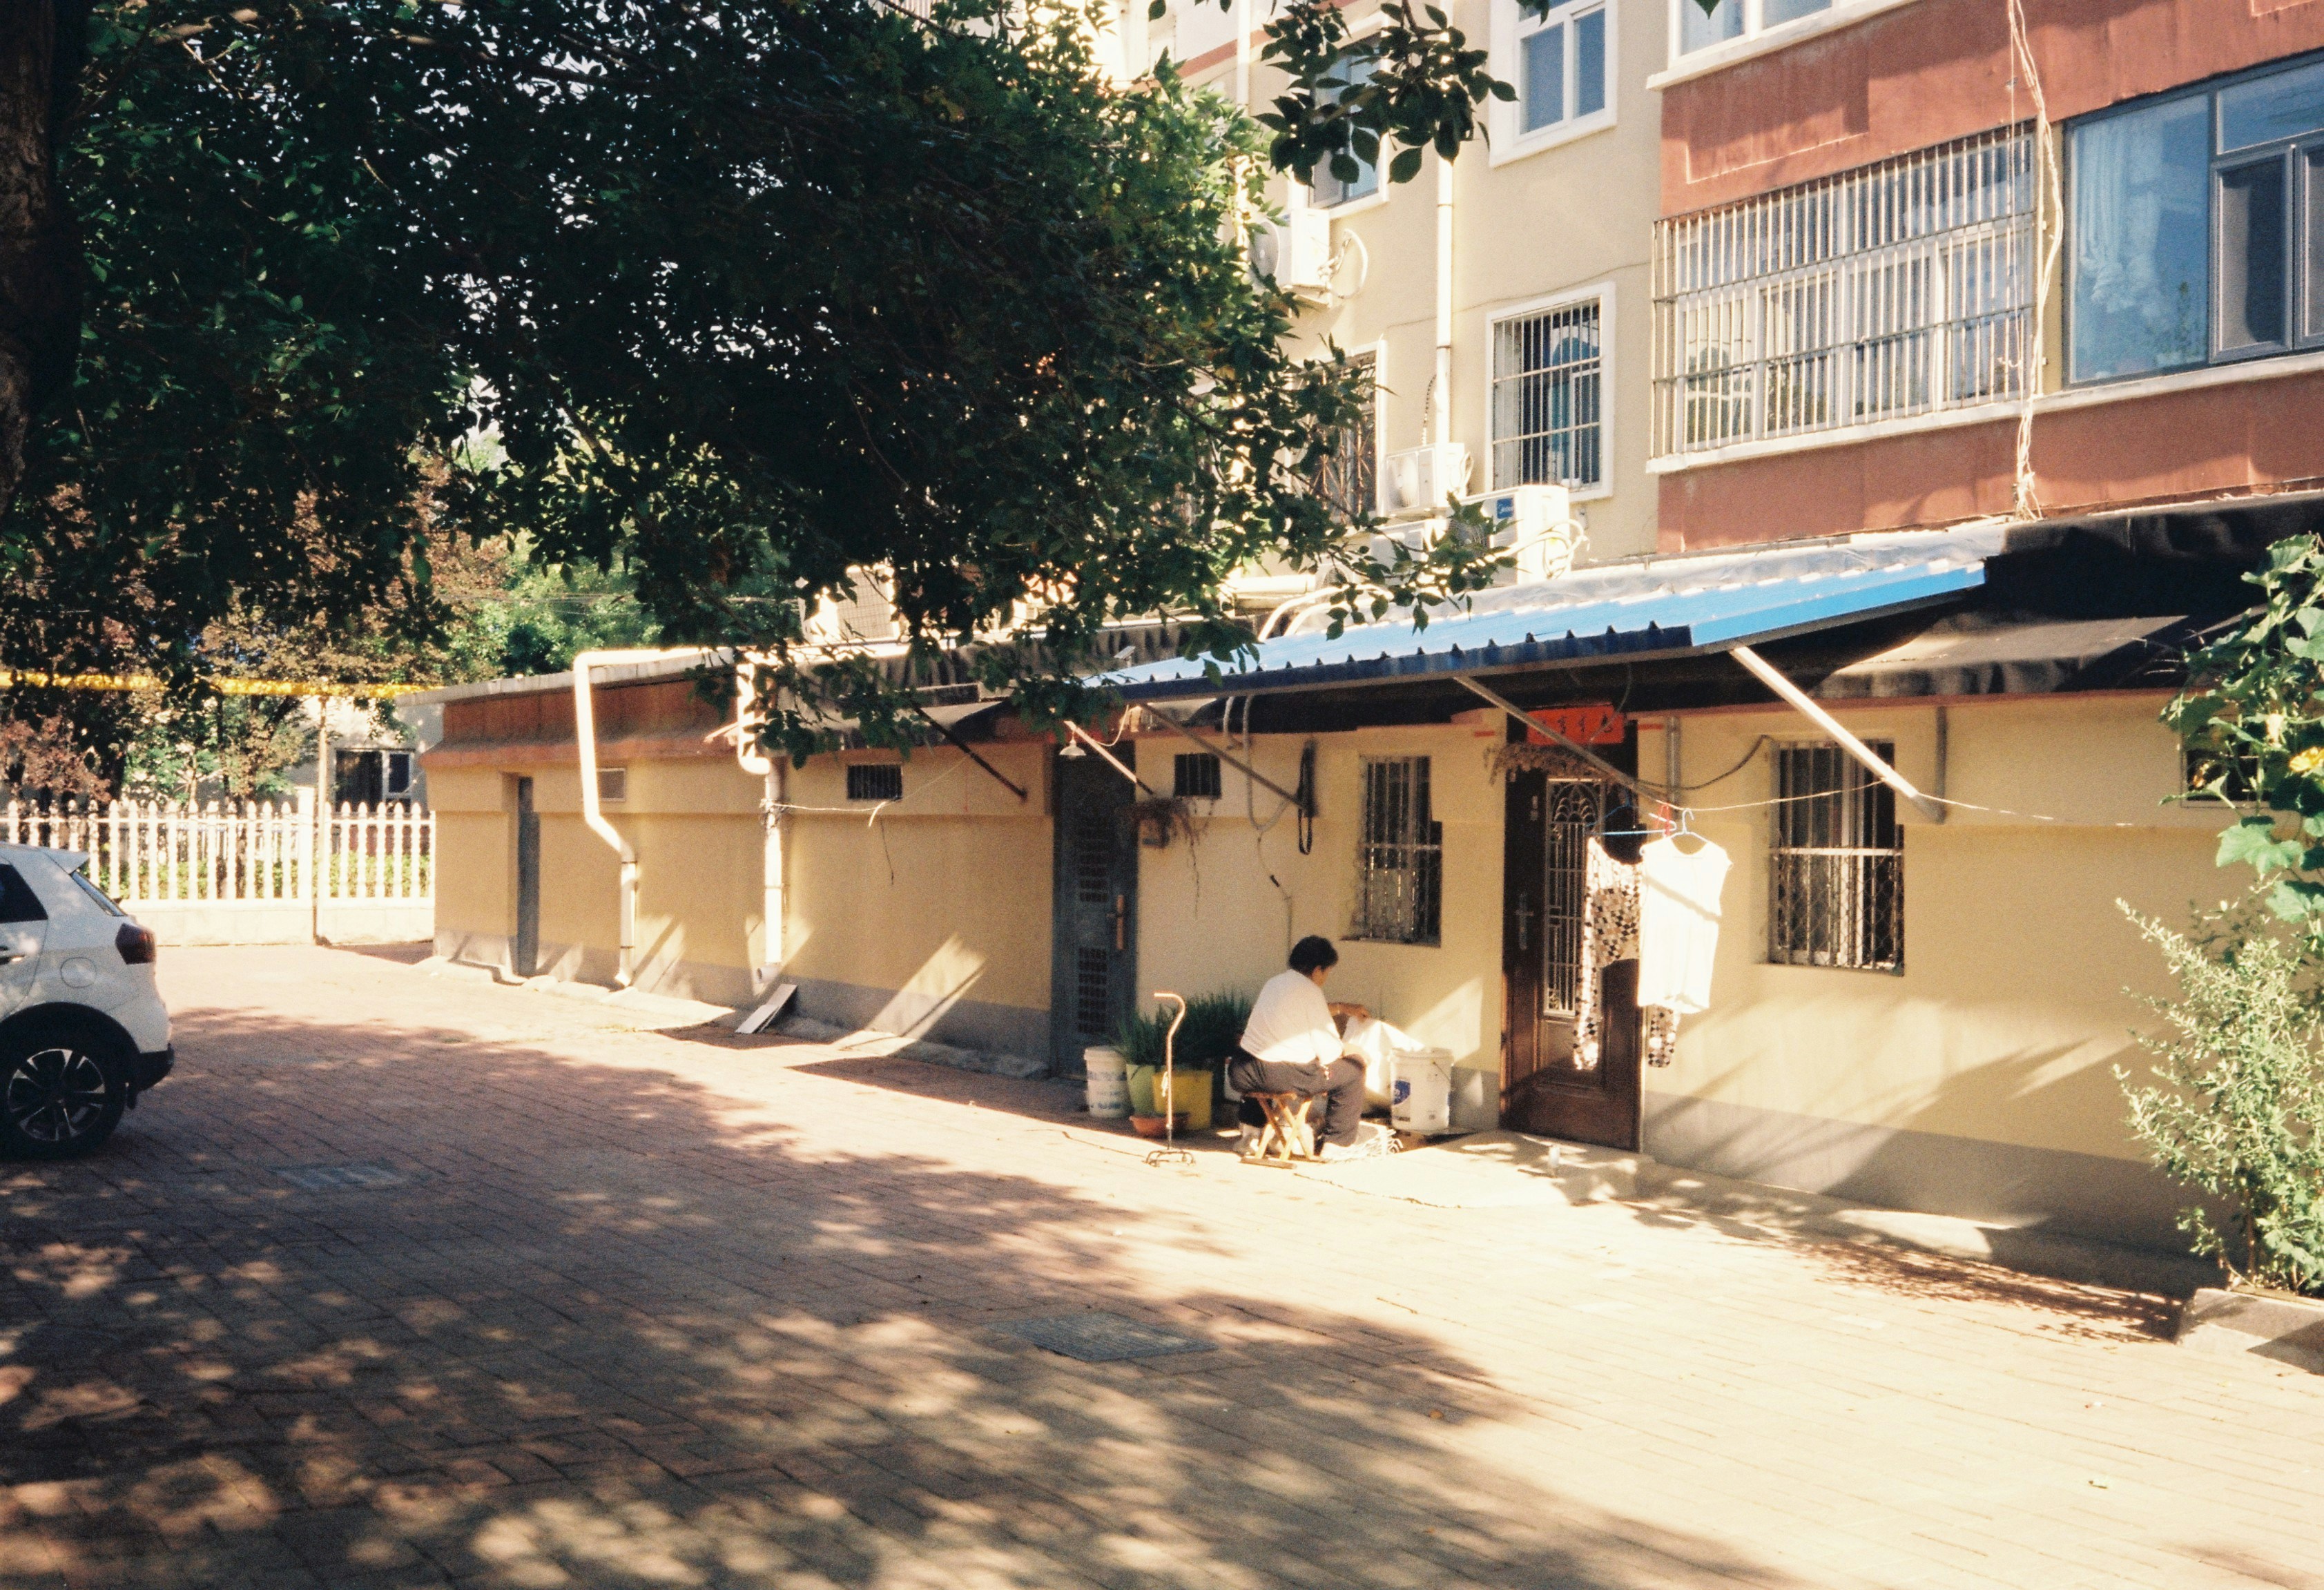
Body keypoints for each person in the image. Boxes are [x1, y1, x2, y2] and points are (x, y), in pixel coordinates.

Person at [1228, 935, 1372, 1160]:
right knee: (1354, 1070)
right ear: (1317, 970)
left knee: (1261, 1056)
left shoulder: (1274, 983)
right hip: (1281, 1077)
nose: (1325, 978)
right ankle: (1338, 1145)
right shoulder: (1310, 992)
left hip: (1243, 1072)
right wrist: (1351, 1050)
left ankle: (1251, 1136)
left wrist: (1342, 1008)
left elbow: (1298, 1009)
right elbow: (1330, 1053)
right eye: (1327, 972)